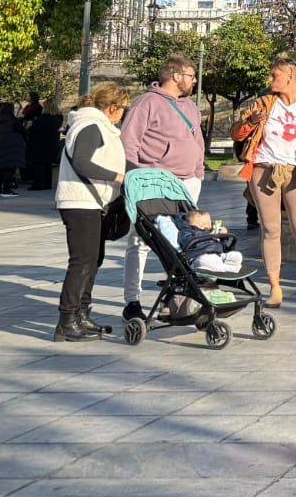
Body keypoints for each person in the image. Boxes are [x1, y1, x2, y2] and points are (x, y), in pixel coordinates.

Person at [232, 55, 296, 306]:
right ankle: (275, 287)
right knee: (271, 229)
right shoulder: (264, 103)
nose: (270, 79)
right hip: (263, 169)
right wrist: (249, 123)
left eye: (274, 75)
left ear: (290, 76)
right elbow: (236, 133)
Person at [119, 55, 205, 316]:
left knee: (182, 241)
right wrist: (136, 179)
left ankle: (175, 297)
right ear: (176, 76)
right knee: (142, 241)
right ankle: (132, 301)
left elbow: (198, 140)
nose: (194, 80)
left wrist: (198, 173)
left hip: (187, 183)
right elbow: (128, 143)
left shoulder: (190, 106)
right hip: (155, 183)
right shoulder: (146, 103)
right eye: (191, 75)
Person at [53, 82, 129, 341]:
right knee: (82, 262)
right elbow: (83, 163)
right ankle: (67, 320)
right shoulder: (91, 125)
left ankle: (82, 313)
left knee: (93, 259)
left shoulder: (100, 126)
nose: (124, 114)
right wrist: (118, 177)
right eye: (123, 108)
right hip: (80, 202)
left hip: (91, 203)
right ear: (112, 107)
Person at [178, 209, 242, 275]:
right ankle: (228, 269)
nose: (207, 226)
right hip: (198, 256)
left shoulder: (211, 230)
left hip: (218, 255)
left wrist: (223, 236)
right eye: (202, 224)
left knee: (236, 255)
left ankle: (225, 266)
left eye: (208, 223)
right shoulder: (186, 232)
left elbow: (223, 244)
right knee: (205, 260)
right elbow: (188, 240)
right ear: (190, 224)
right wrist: (208, 235)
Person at [25, 99, 63, 191]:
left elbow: (32, 131)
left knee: (38, 165)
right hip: (52, 144)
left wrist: (29, 128)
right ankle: (47, 184)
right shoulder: (58, 119)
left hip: (39, 144)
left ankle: (37, 184)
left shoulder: (41, 119)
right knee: (48, 165)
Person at [0, 102, 24, 196]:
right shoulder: (13, 121)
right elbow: (22, 131)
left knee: (1, 168)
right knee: (9, 168)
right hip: (12, 148)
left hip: (0, 147)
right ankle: (6, 189)